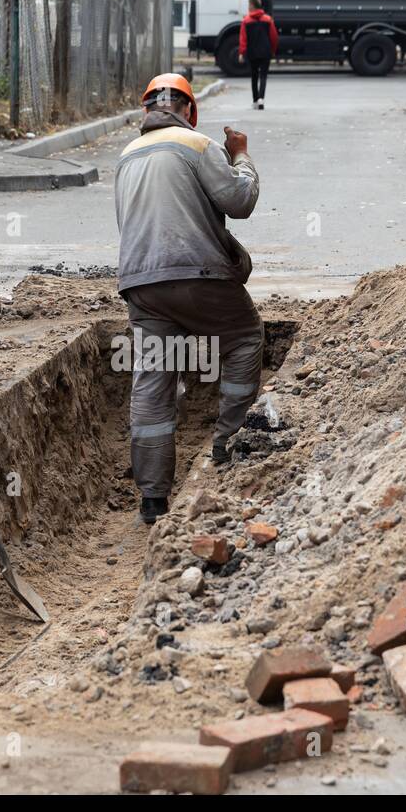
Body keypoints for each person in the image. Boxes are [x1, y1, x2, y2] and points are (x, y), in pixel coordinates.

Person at [113, 73, 263, 524]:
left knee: (154, 378)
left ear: (146, 111)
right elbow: (240, 200)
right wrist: (241, 155)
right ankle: (226, 444)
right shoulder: (197, 144)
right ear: (190, 111)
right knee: (244, 337)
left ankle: (153, 499)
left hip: (142, 284)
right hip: (198, 274)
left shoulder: (125, 156)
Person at [239, 0, 278, 109]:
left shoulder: (246, 21)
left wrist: (242, 52)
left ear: (253, 6)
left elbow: (243, 38)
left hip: (252, 52)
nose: (248, 7)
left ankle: (255, 100)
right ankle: (261, 99)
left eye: (249, 5)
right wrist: (273, 50)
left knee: (254, 76)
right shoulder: (268, 19)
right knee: (263, 76)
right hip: (265, 52)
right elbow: (274, 37)